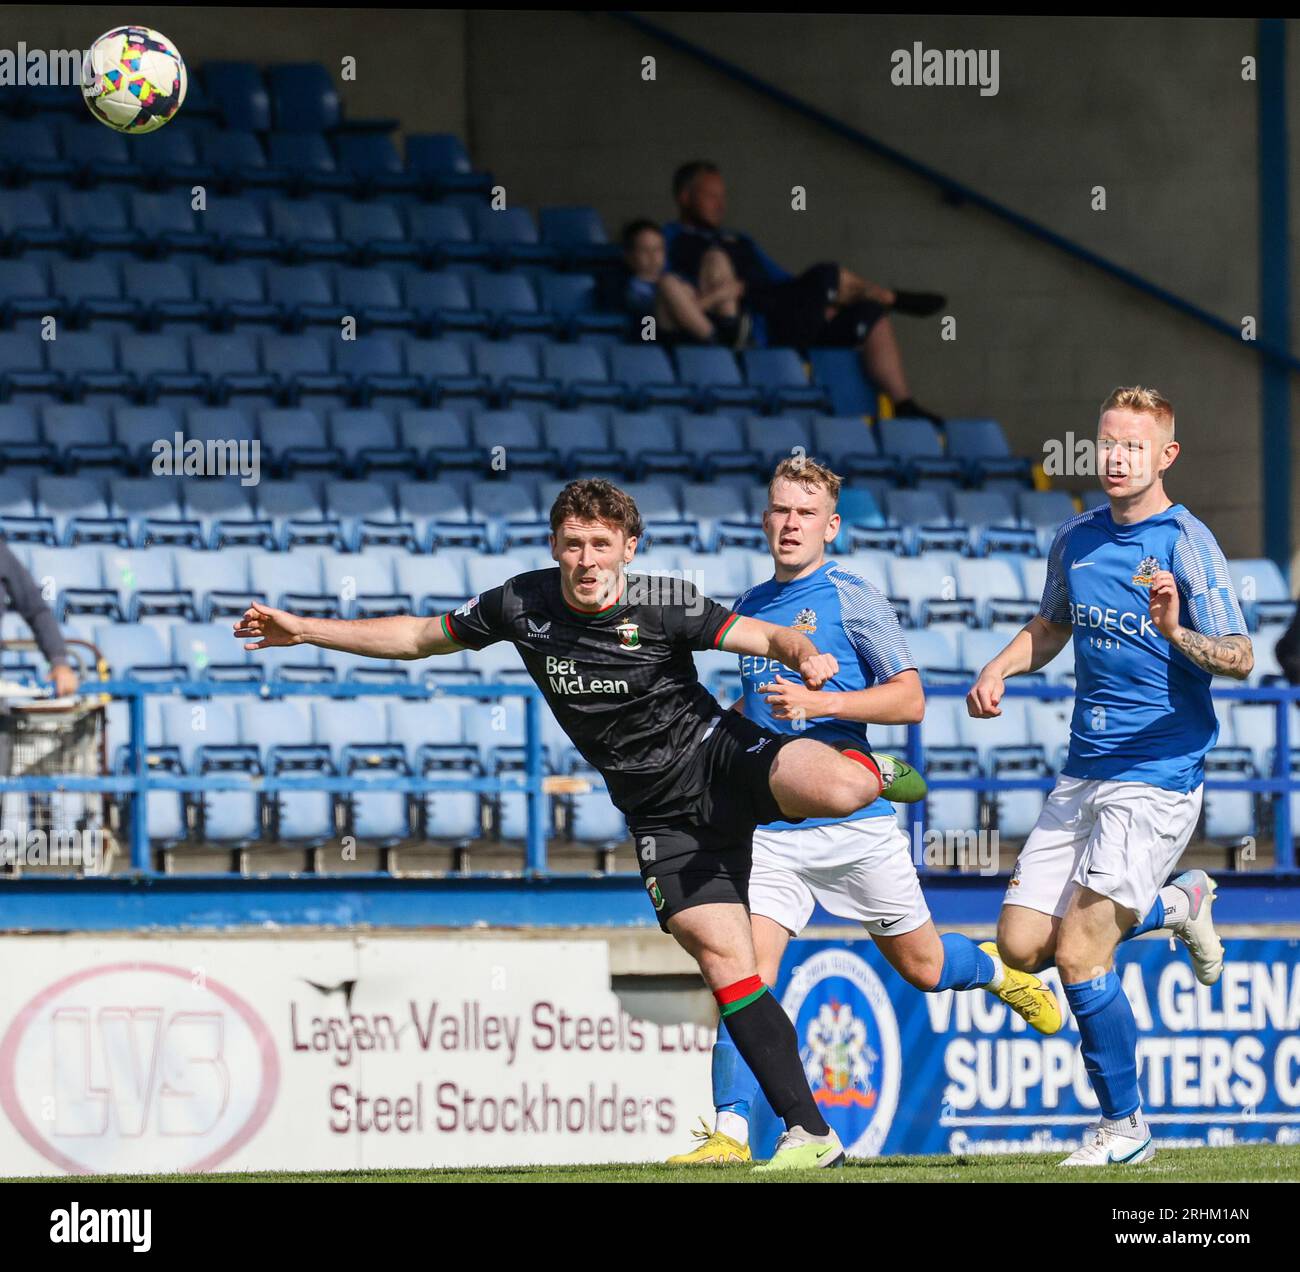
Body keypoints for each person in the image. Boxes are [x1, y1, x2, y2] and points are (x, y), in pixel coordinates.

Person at [235, 478, 928, 1172]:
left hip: (720, 761)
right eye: (574, 544)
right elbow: (418, 636)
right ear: (555, 547)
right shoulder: (521, 603)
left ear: (629, 548)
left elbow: (765, 633)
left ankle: (873, 768)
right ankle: (813, 1136)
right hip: (659, 814)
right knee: (727, 965)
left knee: (839, 788)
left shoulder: (664, 601)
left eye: (602, 544)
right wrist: (304, 630)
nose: (587, 559)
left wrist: (802, 655)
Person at [667, 458, 1060, 1166]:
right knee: (741, 974)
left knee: (926, 965)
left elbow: (909, 699)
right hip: (777, 833)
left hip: (855, 827)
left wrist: (822, 705)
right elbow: (753, 710)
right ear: (765, 518)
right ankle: (728, 1134)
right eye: (780, 510)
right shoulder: (750, 606)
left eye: (805, 513)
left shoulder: (851, 597)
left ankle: (1002, 973)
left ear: (831, 526)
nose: (790, 524)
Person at [966, 386, 1247, 1168]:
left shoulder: (1187, 544)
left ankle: (1126, 1127)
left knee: (1082, 956)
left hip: (1157, 774)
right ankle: (1180, 902)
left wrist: (1173, 629)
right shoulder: (1078, 538)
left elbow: (1240, 654)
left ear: (1166, 455)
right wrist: (1001, 665)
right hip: (1083, 770)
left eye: (1134, 445)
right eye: (1107, 443)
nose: (1117, 458)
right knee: (1022, 945)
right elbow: (1052, 625)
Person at [663, 160, 945, 423]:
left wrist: (819, 301)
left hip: (784, 311)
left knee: (869, 313)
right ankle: (890, 296)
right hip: (757, 327)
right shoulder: (670, 239)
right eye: (711, 195)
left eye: (722, 196)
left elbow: (784, 280)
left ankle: (903, 403)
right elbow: (663, 288)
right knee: (825, 275)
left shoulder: (739, 239)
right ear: (685, 197)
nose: (720, 204)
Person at [615, 218, 748, 347]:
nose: (653, 256)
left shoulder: (674, 276)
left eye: (658, 249)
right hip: (659, 335)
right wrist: (719, 295)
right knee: (668, 284)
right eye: (645, 250)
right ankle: (718, 340)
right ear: (629, 256)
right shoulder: (635, 288)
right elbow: (649, 325)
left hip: (698, 323)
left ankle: (729, 325)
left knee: (715, 257)